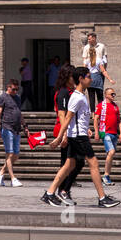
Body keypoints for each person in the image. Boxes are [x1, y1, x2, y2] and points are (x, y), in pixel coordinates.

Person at [48, 68, 120, 208]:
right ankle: (102, 198)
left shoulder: (80, 95)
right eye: (88, 76)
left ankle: (50, 193)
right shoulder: (76, 97)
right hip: (78, 137)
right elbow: (67, 118)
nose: (91, 79)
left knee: (70, 164)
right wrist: (59, 137)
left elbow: (77, 118)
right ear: (80, 79)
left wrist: (86, 128)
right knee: (93, 163)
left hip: (79, 134)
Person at [41, 64, 79, 205]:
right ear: (66, 77)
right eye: (72, 76)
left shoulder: (70, 91)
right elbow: (62, 115)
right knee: (68, 163)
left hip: (68, 130)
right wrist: (64, 134)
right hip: (64, 130)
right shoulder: (63, 92)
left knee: (70, 163)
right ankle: (60, 191)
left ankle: (60, 191)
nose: (74, 78)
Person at [0, 79, 26, 187]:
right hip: (7, 127)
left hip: (17, 128)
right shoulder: (3, 97)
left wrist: (25, 125)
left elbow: (19, 112)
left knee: (16, 154)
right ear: (8, 87)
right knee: (10, 153)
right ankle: (13, 178)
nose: (15, 91)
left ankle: (1, 173)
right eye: (13, 89)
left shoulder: (17, 98)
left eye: (17, 89)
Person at [94, 87, 121, 185]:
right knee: (111, 151)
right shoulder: (102, 105)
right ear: (106, 95)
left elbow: (118, 121)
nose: (113, 96)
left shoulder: (115, 106)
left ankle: (107, 176)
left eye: (114, 94)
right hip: (105, 132)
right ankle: (105, 175)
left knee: (110, 154)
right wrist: (96, 132)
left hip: (114, 133)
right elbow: (95, 119)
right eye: (111, 94)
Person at [80, 32, 111, 108]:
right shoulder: (86, 47)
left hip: (100, 72)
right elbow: (84, 60)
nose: (89, 40)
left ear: (94, 38)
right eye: (88, 39)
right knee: (91, 94)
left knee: (100, 93)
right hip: (90, 73)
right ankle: (93, 112)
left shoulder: (101, 46)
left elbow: (105, 58)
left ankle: (100, 110)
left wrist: (104, 70)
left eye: (90, 39)